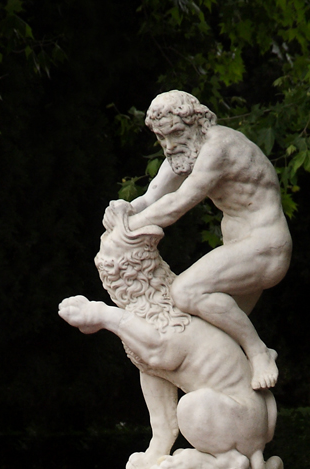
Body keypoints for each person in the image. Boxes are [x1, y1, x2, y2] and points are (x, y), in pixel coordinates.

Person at [103, 90, 292, 392]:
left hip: (265, 247)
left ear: (199, 122)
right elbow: (154, 196)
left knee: (186, 292)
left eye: (175, 133)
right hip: (238, 249)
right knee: (210, 329)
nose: (169, 145)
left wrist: (127, 230)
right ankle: (231, 402)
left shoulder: (219, 147)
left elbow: (180, 202)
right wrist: (125, 209)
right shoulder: (183, 150)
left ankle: (259, 352)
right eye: (162, 138)